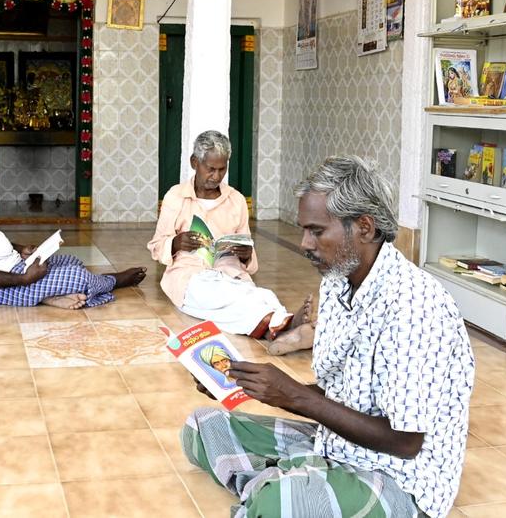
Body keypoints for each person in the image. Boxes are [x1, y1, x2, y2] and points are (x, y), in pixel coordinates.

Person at [181, 156, 475, 518]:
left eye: (317, 231)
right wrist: (243, 381)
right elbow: (335, 394)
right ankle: (283, 487)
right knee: (201, 427)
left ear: (364, 227)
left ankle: (279, 491)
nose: (305, 243)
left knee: (278, 504)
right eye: (305, 230)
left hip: (397, 478)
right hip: (335, 444)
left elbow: (406, 441)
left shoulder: (415, 307)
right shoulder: (338, 282)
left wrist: (295, 396)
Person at [0, 140, 146, 309]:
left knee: (72, 261)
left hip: (10, 267)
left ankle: (47, 296)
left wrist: (20, 249)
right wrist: (23, 278)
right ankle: (113, 280)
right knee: (77, 276)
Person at [148, 131, 298, 339]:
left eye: (222, 169)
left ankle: (270, 322)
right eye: (210, 169)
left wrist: (246, 254)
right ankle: (276, 321)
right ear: (194, 163)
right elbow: (157, 246)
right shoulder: (176, 196)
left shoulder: (236, 200)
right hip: (190, 277)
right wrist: (175, 243)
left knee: (255, 293)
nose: (216, 176)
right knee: (215, 290)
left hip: (230, 273)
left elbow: (250, 260)